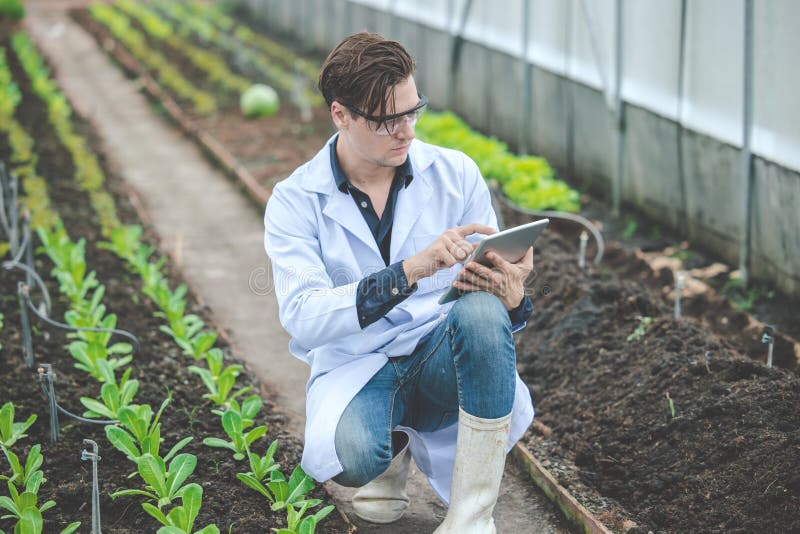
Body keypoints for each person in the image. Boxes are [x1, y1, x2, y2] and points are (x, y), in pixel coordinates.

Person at [263, 32, 536, 533]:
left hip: (436, 356)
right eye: (386, 120)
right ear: (340, 114)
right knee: (353, 456)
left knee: (479, 311)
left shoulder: (456, 173)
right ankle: (390, 455)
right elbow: (302, 315)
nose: (405, 131)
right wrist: (413, 268)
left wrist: (513, 294)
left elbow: (494, 304)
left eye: (412, 111)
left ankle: (471, 517)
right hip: (358, 364)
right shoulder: (295, 200)